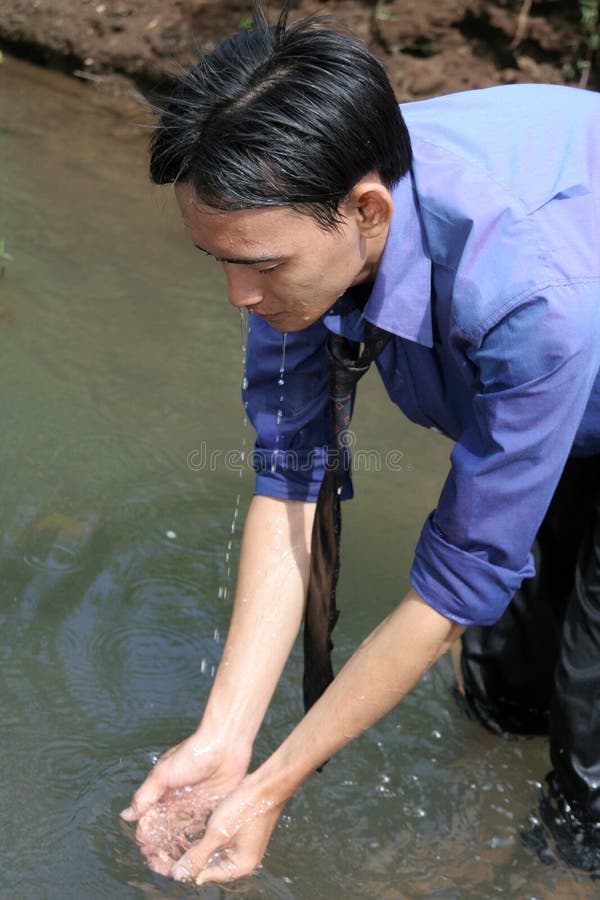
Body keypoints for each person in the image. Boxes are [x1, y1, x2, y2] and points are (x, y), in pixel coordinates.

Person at [120, 2, 600, 885]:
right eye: (216, 260)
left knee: (593, 726)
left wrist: (272, 786)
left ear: (367, 211)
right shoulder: (298, 213)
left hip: (574, 326)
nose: (239, 296)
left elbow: (453, 584)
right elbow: (292, 481)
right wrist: (226, 739)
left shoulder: (529, 293)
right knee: (505, 688)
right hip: (554, 373)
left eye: (259, 265)